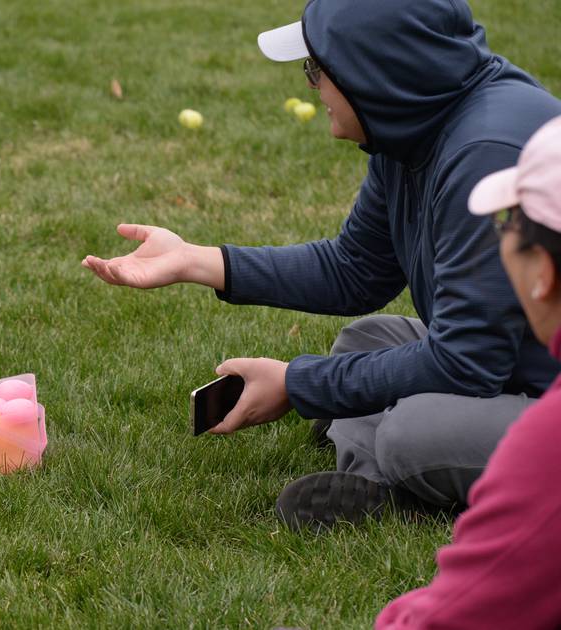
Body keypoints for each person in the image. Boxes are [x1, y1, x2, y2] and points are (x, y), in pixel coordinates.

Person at [82, 0, 561, 530]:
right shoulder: (414, 124)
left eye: (316, 70)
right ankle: (374, 478)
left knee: (415, 434)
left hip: (541, 388)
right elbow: (355, 268)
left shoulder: (484, 153)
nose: (312, 87)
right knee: (367, 340)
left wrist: (298, 383)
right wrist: (195, 260)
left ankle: (396, 480)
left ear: (372, 75)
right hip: (512, 366)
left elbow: (464, 364)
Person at [376, 117, 561, 629]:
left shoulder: (550, 444)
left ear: (542, 272)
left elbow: (458, 613)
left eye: (508, 222)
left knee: (408, 429)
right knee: (371, 340)